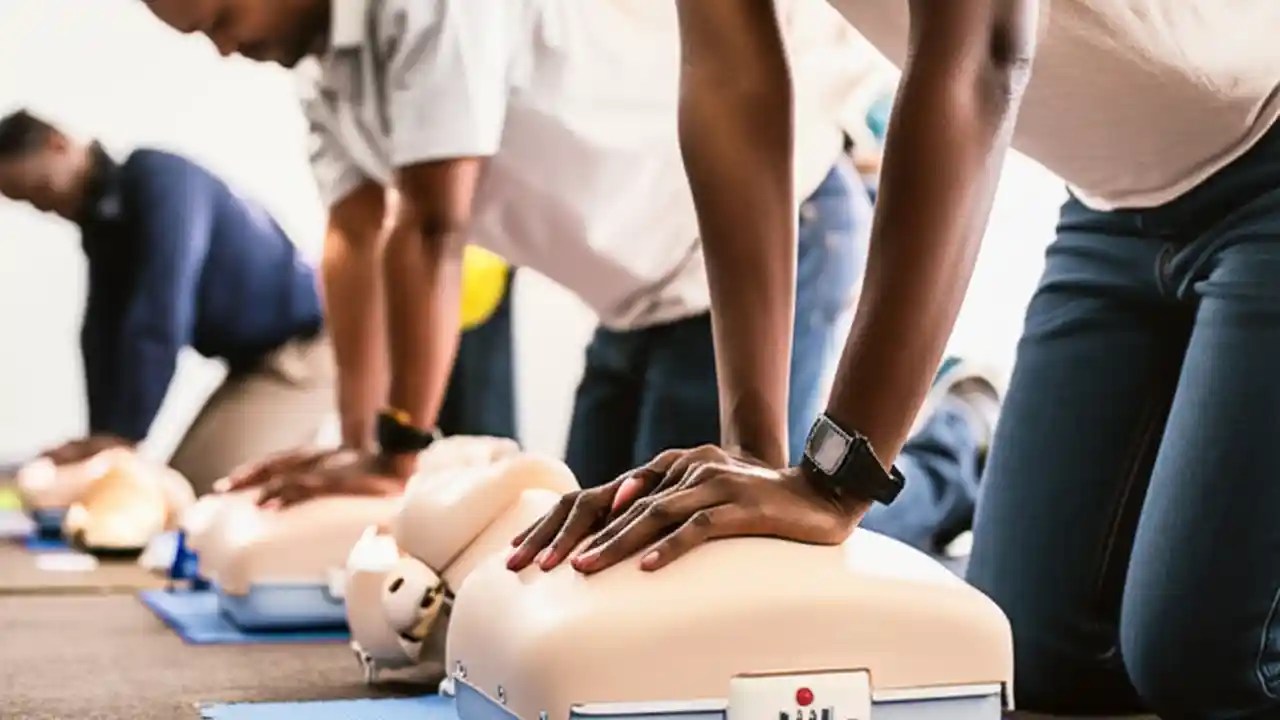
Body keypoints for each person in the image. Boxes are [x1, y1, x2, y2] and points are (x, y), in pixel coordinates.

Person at [512, 0, 1280, 717]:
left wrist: (835, 478)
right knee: (1036, 652)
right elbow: (729, 78)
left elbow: (978, 48)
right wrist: (753, 448)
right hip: (1114, 205)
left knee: (1210, 661)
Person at [141, 0, 1000, 555]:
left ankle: (953, 443)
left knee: (742, 539)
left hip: (773, 234)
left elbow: (432, 225)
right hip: (632, 301)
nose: (224, 48)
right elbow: (355, 239)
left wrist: (395, 450)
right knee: (574, 558)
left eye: (220, 17)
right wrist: (364, 440)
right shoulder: (326, 74)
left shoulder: (424, 9)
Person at [0, 110, 333, 494]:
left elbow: (159, 313)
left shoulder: (158, 178)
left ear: (58, 145)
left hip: (306, 354)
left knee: (207, 490)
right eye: (29, 202)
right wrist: (102, 437)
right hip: (253, 363)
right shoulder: (104, 228)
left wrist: (123, 438)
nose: (45, 207)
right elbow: (102, 332)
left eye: (40, 189)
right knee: (179, 483)